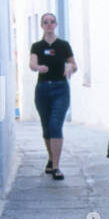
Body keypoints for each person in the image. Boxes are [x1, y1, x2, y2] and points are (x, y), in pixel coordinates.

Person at [29, 13, 77, 180]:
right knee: (47, 127)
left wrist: (70, 68)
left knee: (56, 125)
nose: (49, 25)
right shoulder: (37, 46)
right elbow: (32, 63)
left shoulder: (63, 45)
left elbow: (73, 64)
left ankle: (56, 167)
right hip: (42, 89)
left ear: (56, 24)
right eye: (45, 22)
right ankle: (51, 159)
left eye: (51, 22)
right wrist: (38, 67)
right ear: (42, 25)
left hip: (60, 89)